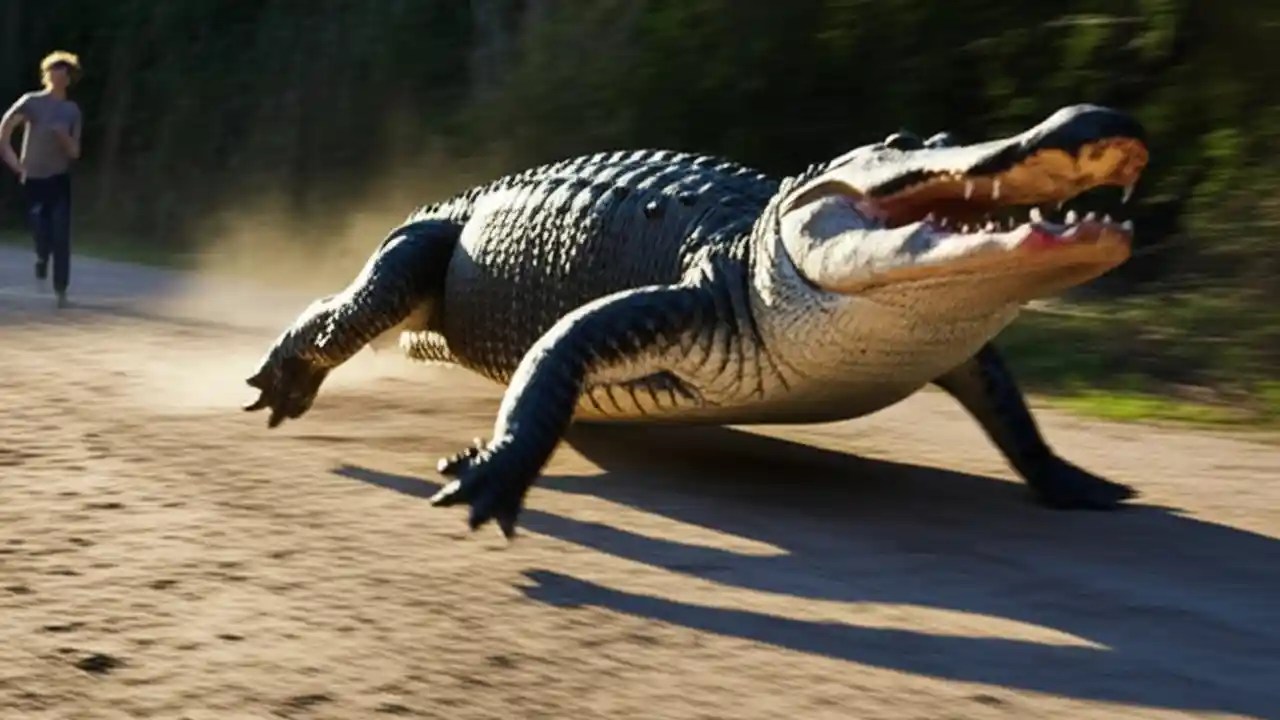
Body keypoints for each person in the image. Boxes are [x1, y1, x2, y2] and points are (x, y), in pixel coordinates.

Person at [1, 51, 83, 308]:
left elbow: (75, 152)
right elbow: (5, 129)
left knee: (61, 233)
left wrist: (63, 137)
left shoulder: (71, 111)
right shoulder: (32, 102)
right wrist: (14, 163)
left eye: (63, 73)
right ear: (46, 75)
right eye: (53, 72)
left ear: (69, 79)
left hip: (59, 178)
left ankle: (61, 290)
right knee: (41, 229)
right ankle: (41, 257)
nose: (57, 77)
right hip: (34, 177)